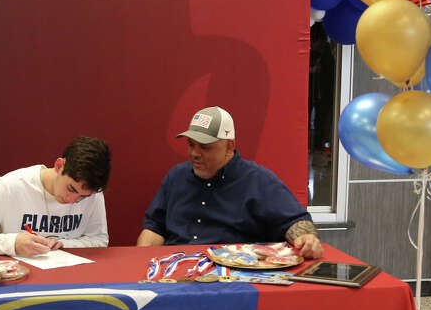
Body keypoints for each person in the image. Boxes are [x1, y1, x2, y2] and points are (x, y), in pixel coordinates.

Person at [137, 106, 324, 258]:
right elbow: (155, 227)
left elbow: (295, 221)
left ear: (230, 146)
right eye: (191, 145)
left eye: (205, 147)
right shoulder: (176, 177)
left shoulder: (258, 180)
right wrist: (140, 262)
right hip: (174, 270)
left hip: (234, 275)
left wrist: (306, 238)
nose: (194, 154)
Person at [0, 136, 111, 257]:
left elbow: (99, 240)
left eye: (83, 197)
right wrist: (13, 243)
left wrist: (64, 244)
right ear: (59, 166)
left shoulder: (94, 195)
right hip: (19, 281)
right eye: (71, 188)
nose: (72, 200)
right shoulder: (12, 185)